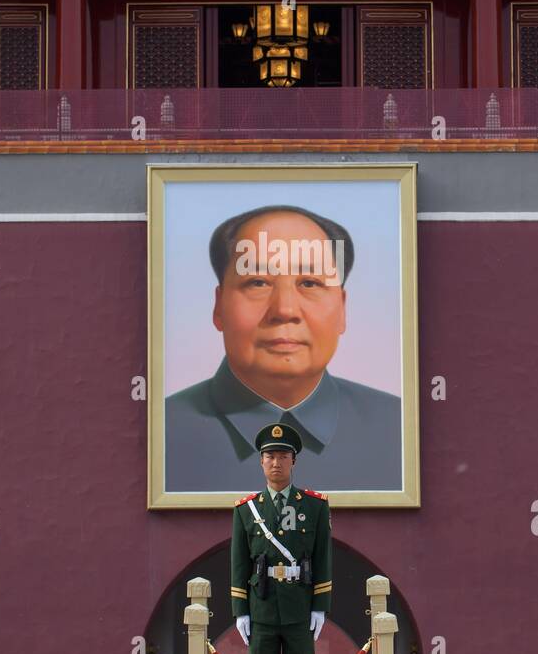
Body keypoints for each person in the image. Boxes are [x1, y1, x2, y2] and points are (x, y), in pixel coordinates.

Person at [165, 204, 401, 493]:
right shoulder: (162, 431)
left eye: (310, 283)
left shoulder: (400, 430)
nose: (285, 309)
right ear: (218, 306)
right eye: (258, 282)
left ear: (342, 309)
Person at [230, 423, 332, 654]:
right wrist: (240, 611)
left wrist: (321, 605)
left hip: (299, 609)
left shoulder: (315, 507)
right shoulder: (246, 510)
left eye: (283, 456)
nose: (276, 463)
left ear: (293, 462)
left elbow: (322, 557)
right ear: (260, 463)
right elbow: (239, 564)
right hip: (261, 608)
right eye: (270, 456)